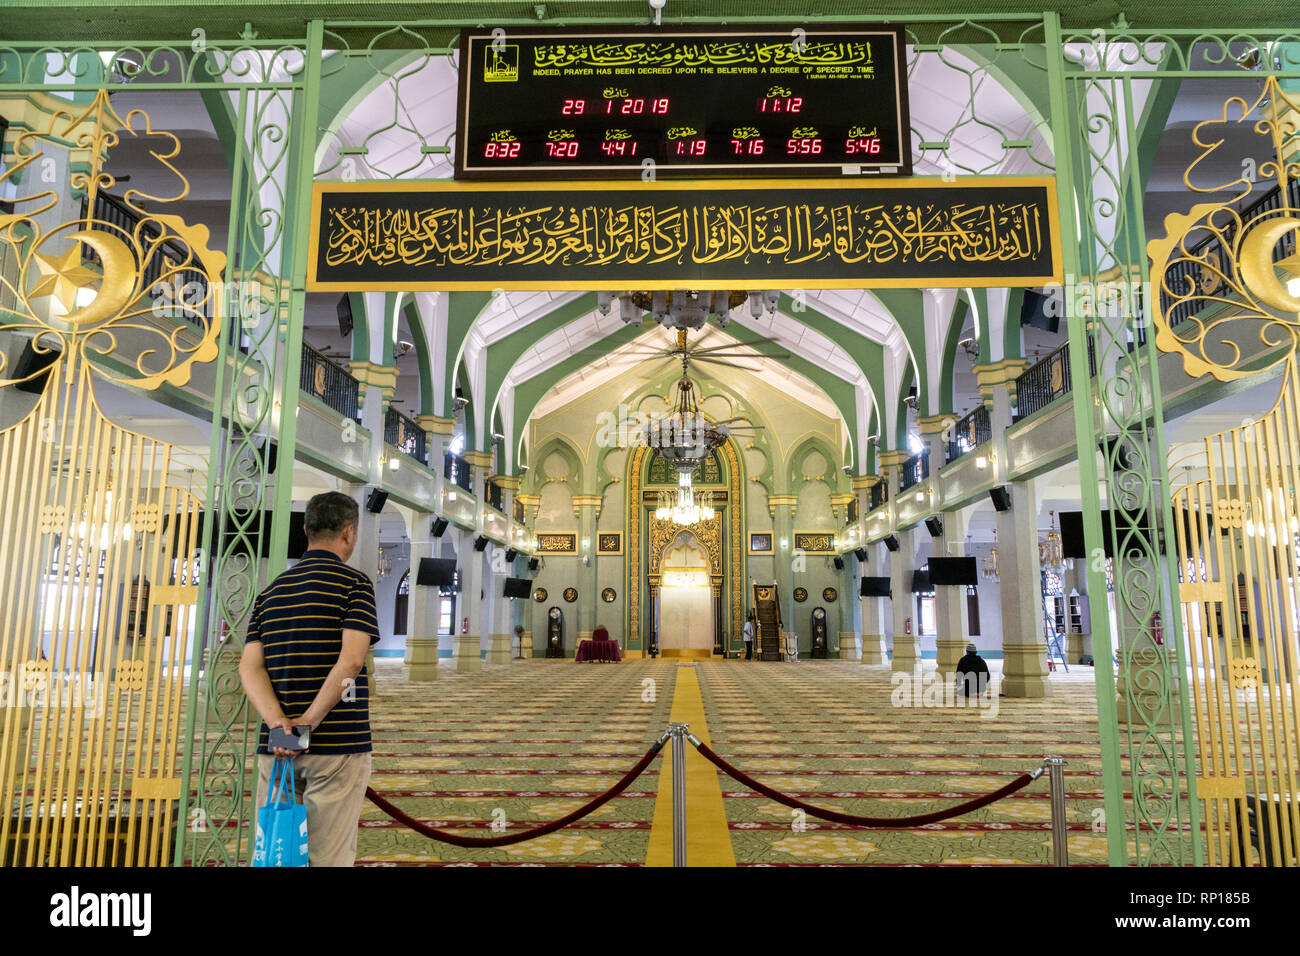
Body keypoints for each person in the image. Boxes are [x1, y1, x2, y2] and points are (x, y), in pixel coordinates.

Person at [239, 491, 381, 867]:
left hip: (277, 746)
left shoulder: (270, 593)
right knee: (327, 856)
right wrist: (307, 724)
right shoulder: (355, 585)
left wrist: (280, 727)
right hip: (336, 745)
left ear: (306, 530)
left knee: (277, 855)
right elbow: (351, 662)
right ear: (349, 533)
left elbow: (249, 667)